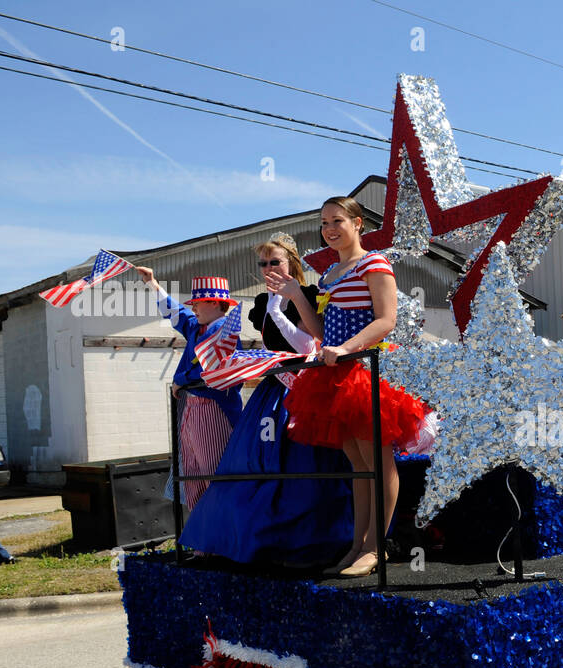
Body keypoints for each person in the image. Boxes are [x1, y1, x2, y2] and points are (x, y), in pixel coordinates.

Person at [179, 235, 358, 568]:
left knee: (305, 465)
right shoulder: (262, 303)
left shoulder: (308, 295)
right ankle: (248, 540)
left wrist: (279, 311)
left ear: (291, 263)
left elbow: (310, 345)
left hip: (304, 389)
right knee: (255, 464)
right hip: (272, 392)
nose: (267, 269)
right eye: (263, 263)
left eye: (274, 262)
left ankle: (311, 542)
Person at [282, 196, 429, 577]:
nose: (329, 228)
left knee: (377, 462)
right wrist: (297, 295)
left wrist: (347, 348)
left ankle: (376, 546)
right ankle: (358, 544)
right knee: (358, 466)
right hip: (336, 373)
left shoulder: (375, 263)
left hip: (367, 370)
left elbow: (386, 320)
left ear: (358, 223)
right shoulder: (329, 275)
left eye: (337, 220)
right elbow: (321, 331)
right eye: (324, 222)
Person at [137, 268, 243, 514]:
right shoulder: (199, 326)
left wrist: (181, 379)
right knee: (193, 477)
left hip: (214, 409)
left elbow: (215, 370)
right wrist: (152, 283)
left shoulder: (226, 331)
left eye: (197, 303)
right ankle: (202, 541)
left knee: (213, 475)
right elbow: (176, 312)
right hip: (191, 408)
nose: (193, 308)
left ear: (215, 303)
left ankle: (221, 540)